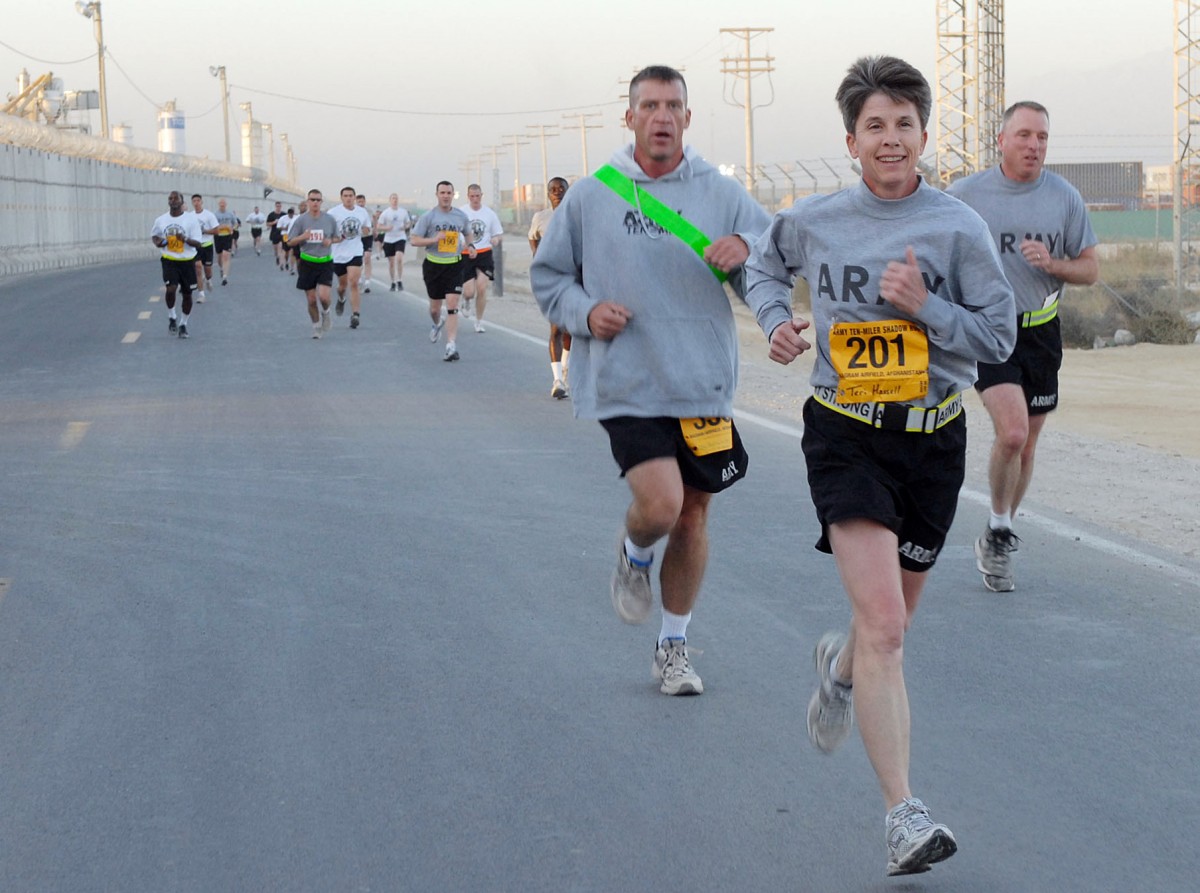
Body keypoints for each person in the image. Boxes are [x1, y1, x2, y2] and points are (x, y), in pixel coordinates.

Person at [743, 56, 1016, 876]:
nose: (890, 139)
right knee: (889, 630)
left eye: (904, 124)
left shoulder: (957, 228)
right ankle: (904, 814)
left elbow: (999, 338)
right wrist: (776, 322)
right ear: (851, 140)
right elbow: (762, 265)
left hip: (933, 441)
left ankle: (837, 667)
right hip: (845, 432)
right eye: (875, 126)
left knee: (882, 628)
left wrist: (925, 307)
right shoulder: (816, 218)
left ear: (924, 135)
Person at [531, 65, 770, 696]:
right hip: (628, 378)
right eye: (649, 105)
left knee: (692, 516)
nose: (661, 116)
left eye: (673, 106)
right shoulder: (591, 195)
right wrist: (586, 313)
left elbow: (770, 252)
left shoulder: (721, 193)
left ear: (688, 119)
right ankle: (635, 553)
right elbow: (549, 278)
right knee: (662, 505)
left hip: (702, 379)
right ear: (630, 117)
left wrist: (747, 247)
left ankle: (673, 646)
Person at [946, 101, 1100, 593]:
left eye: (1043, 138)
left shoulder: (1064, 197)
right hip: (989, 330)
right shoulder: (966, 195)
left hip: (1041, 331)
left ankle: (999, 530)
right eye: (1025, 136)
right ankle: (998, 524)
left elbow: (1091, 269)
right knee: (1011, 433)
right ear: (1002, 140)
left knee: (1028, 443)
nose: (1035, 146)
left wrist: (1054, 265)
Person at [410, 180, 476, 361]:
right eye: (443, 193)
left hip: (454, 264)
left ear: (453, 195)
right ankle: (437, 322)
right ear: (437, 194)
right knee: (434, 309)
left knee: (453, 304)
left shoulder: (460, 216)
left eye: (449, 193)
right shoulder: (429, 217)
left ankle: (451, 345)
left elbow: (468, 232)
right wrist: (434, 240)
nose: (446, 196)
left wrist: (470, 246)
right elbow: (414, 240)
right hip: (433, 265)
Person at [529, 177, 571, 398]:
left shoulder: (576, 213)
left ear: (567, 191)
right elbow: (532, 237)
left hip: (574, 277)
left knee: (570, 330)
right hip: (552, 280)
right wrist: (537, 256)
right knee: (555, 328)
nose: (557, 192)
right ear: (548, 194)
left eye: (561, 189)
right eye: (553, 190)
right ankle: (558, 380)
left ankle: (565, 366)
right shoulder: (541, 217)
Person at [288, 189, 342, 339]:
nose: (315, 203)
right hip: (307, 262)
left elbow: (338, 238)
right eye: (312, 200)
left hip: (325, 262)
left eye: (318, 200)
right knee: (311, 299)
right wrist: (303, 237)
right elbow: (290, 241)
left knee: (324, 297)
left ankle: (326, 313)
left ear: (321, 202)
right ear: (307, 202)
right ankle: (316, 327)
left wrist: (330, 241)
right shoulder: (300, 220)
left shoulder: (329, 219)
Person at [151, 190, 204, 339]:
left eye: (175, 198)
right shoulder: (161, 220)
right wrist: (159, 243)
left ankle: (183, 324)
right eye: (170, 198)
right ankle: (172, 317)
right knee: (171, 288)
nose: (172, 201)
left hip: (187, 261)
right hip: (169, 259)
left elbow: (198, 243)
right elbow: (155, 235)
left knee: (187, 294)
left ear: (181, 202)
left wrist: (185, 239)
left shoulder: (191, 220)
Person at [460, 184, 504, 333]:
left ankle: (478, 321)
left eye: (477, 196)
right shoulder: (461, 212)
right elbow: (455, 232)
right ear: (468, 196)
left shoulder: (489, 214)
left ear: (481, 196)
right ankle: (466, 300)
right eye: (472, 196)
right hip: (466, 254)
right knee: (469, 292)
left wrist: (496, 239)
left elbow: (498, 233)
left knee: (482, 288)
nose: (475, 199)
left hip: (484, 253)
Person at [328, 186, 373, 330]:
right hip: (338, 254)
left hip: (355, 251)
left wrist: (363, 231)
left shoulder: (362, 212)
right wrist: (337, 237)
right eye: (345, 196)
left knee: (353, 282)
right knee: (342, 286)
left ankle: (355, 314)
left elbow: (367, 229)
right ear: (341, 198)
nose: (348, 198)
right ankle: (341, 298)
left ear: (354, 197)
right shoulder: (333, 213)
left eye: (350, 195)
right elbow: (327, 231)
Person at [378, 193, 411, 291]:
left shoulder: (403, 212)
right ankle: (393, 281)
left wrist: (405, 227)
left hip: (400, 237)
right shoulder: (386, 213)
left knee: (399, 258)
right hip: (389, 238)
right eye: (393, 198)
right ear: (390, 200)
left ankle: (399, 280)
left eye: (396, 198)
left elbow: (408, 223)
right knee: (391, 262)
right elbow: (379, 226)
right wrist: (386, 228)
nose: (395, 200)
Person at [190, 194, 219, 302]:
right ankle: (201, 294)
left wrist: (205, 231)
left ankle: (208, 279)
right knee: (198, 268)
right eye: (194, 201)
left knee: (208, 271)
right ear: (192, 203)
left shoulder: (209, 215)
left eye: (198, 200)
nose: (196, 203)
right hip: (195, 245)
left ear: (202, 202)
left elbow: (216, 231)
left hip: (207, 245)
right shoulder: (190, 216)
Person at [213, 198, 238, 286]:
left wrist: (232, 228)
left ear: (226, 204)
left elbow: (235, 224)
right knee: (219, 257)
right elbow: (213, 226)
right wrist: (219, 227)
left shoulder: (230, 214)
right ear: (219, 204)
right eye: (220, 203)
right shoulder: (215, 214)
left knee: (226, 255)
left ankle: (225, 276)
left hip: (227, 236)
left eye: (223, 203)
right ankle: (221, 268)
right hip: (218, 237)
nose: (222, 204)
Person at [356, 194, 375, 293]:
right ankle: (358, 279)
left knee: (367, 257)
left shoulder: (369, 211)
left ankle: (367, 281)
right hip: (357, 237)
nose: (360, 204)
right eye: (358, 202)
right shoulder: (353, 211)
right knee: (358, 259)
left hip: (368, 236)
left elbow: (373, 222)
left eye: (362, 202)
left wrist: (375, 231)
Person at [267, 200, 286, 267]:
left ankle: (281, 262)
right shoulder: (271, 214)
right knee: (275, 248)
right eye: (277, 206)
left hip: (282, 233)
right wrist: (274, 222)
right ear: (275, 206)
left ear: (281, 206)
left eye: (279, 206)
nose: (278, 207)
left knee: (280, 247)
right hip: (274, 233)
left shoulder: (284, 214)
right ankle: (277, 256)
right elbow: (267, 224)